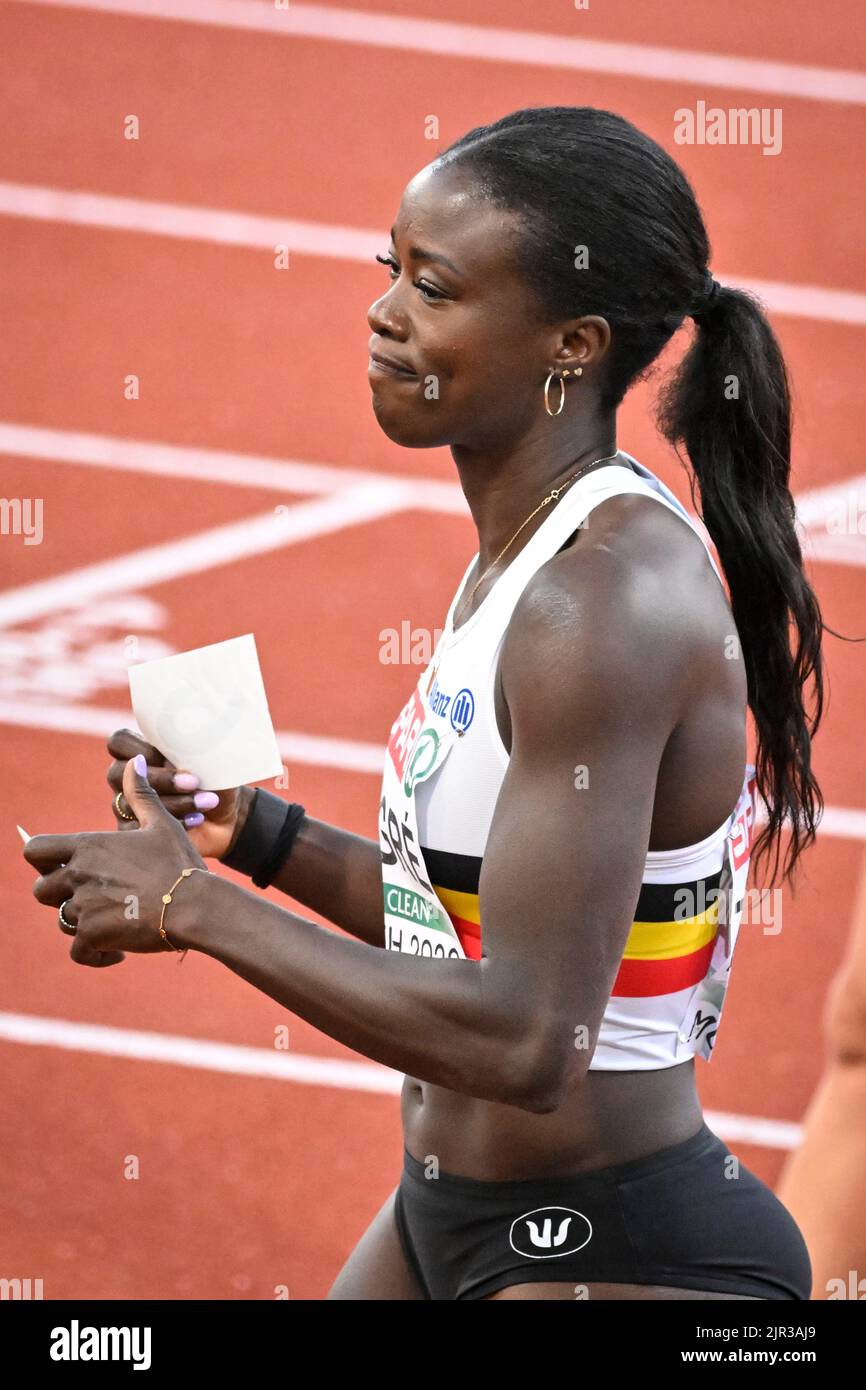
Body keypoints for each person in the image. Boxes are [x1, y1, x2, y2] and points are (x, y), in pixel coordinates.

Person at [25, 106, 825, 1301]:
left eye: (435, 287)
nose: (383, 312)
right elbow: (466, 922)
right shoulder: (529, 553)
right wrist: (254, 838)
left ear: (572, 343)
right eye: (387, 269)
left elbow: (525, 1037)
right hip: (448, 1216)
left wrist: (190, 905)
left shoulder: (596, 605)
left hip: (616, 1250)